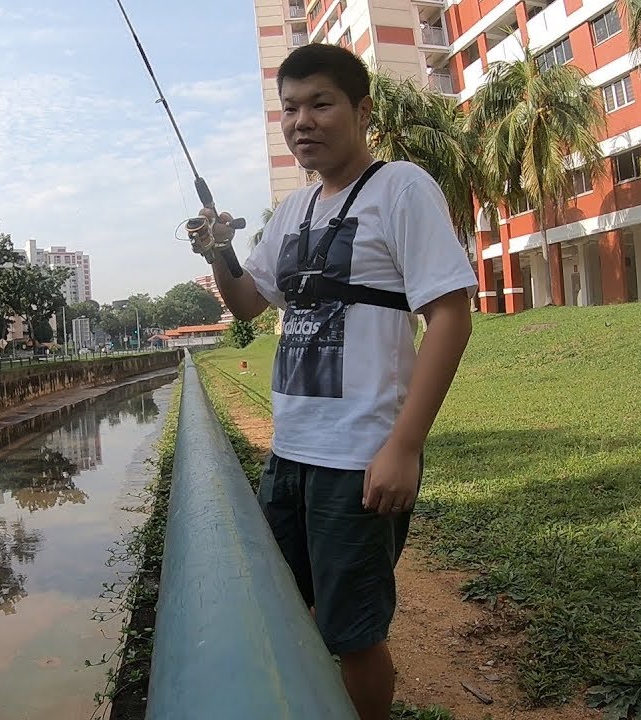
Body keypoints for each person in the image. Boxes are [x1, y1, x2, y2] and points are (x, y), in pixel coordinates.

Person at [195, 42, 477, 720]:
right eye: (290, 108)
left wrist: (403, 446)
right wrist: (217, 250)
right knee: (282, 608)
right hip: (290, 453)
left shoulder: (401, 186)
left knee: (352, 633)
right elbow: (248, 303)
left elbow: (450, 317)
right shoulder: (292, 213)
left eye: (320, 103)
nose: (302, 121)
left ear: (361, 110)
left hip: (359, 456)